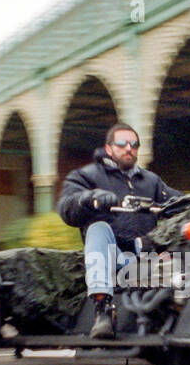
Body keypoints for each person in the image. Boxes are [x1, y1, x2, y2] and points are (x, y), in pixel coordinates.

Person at [56, 123, 182, 339]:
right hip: (110, 259)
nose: (128, 149)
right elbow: (67, 207)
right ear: (108, 148)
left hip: (145, 258)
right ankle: (102, 311)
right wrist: (89, 198)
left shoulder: (151, 181)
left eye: (134, 144)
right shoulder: (86, 176)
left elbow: (178, 203)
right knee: (98, 227)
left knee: (188, 251)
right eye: (122, 144)